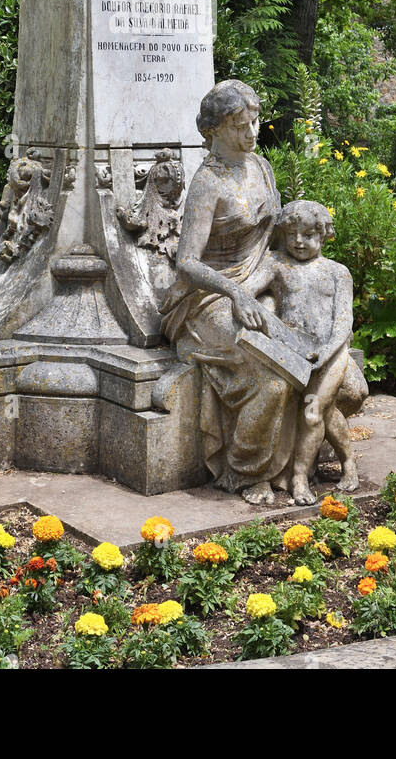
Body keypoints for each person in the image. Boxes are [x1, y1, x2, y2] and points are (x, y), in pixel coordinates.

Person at [160, 80, 296, 505]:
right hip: (208, 299)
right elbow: (187, 263)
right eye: (240, 126)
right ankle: (245, 470)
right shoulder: (208, 183)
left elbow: (273, 239)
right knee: (271, 374)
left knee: (305, 348)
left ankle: (298, 464)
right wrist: (235, 294)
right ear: (214, 130)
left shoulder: (261, 167)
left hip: (258, 284)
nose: (252, 133)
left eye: (254, 122)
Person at [242, 200, 360, 503]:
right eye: (292, 234)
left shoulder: (337, 272)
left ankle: (299, 478)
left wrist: (328, 351)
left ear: (323, 234)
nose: (298, 241)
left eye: (307, 235)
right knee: (325, 410)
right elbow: (244, 293)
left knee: (312, 413)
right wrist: (251, 309)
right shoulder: (276, 263)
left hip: (331, 353)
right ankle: (349, 463)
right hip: (293, 352)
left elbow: (344, 321)